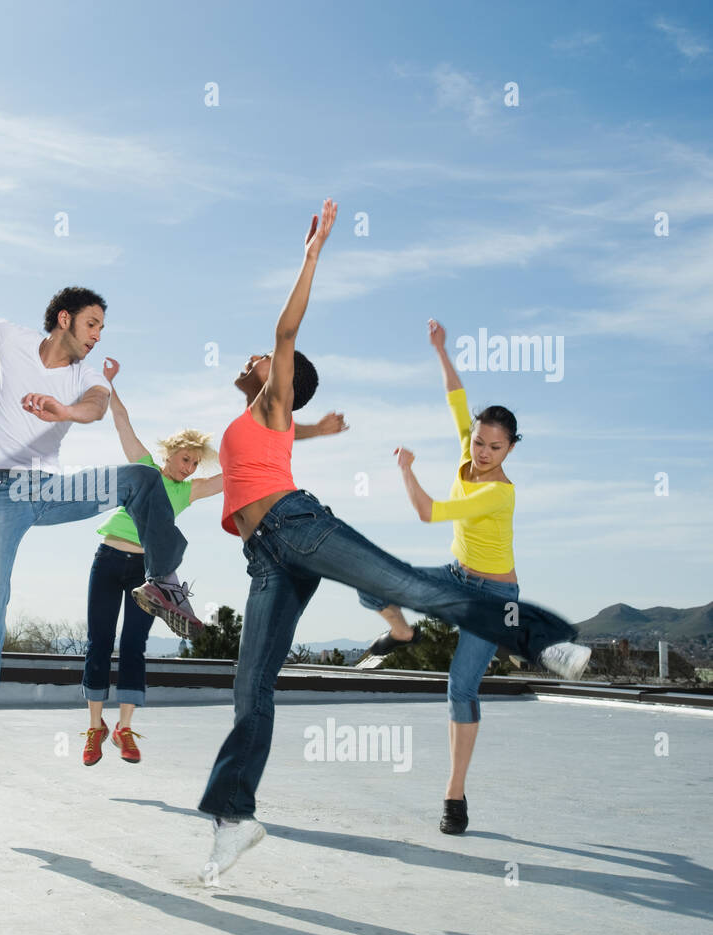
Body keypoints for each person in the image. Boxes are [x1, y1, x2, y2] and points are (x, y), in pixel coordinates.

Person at [198, 199, 591, 882]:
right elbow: (283, 419)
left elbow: (284, 329)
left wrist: (312, 252)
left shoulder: (271, 405)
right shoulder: (263, 423)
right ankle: (233, 817)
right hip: (267, 556)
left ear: (280, 383)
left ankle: (544, 637)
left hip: (298, 525)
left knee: (405, 585)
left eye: (265, 361)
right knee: (251, 685)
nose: (256, 357)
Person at [0, 257, 202, 778]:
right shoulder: (11, 337)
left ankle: (163, 581)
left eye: (102, 329)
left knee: (141, 479)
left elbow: (95, 404)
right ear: (65, 319)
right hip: (0, 494)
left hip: (49, 489)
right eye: (92, 324)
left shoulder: (87, 377)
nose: (97, 337)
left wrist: (65, 411)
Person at [81, 358, 347, 767]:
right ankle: (96, 727)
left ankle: (124, 727)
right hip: (107, 559)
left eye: (193, 464)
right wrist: (110, 383)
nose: (188, 468)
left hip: (146, 573)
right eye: (183, 459)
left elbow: (241, 462)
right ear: (169, 454)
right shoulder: (144, 470)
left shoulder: (188, 493)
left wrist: (301, 433)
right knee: (99, 643)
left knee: (133, 645)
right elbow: (122, 421)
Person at [355, 318, 526, 835]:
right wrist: (441, 350)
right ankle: (404, 632)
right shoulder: (467, 450)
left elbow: (428, 512)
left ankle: (455, 794)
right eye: (478, 442)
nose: (482, 453)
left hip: (492, 595)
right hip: (454, 576)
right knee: (371, 580)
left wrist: (406, 471)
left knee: (459, 688)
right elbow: (457, 395)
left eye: (495, 448)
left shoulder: (500, 492)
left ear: (510, 449)